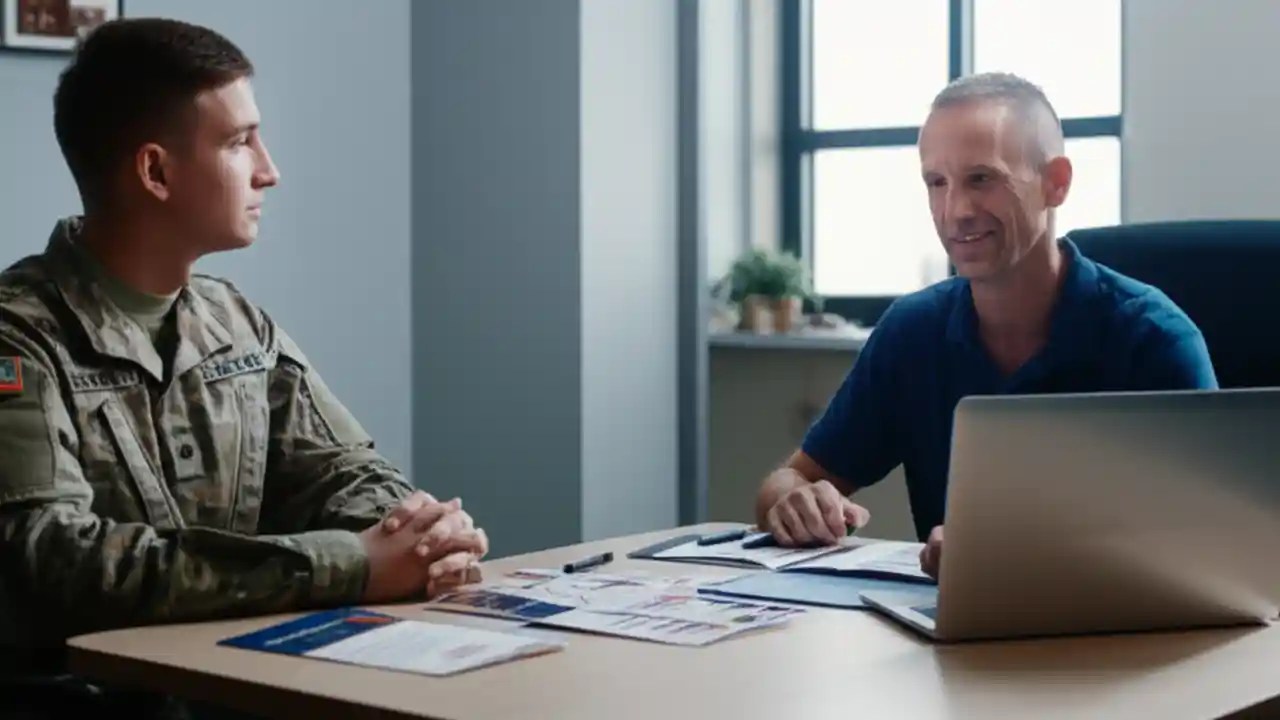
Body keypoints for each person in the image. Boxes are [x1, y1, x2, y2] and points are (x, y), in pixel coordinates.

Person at [0, 17, 486, 717]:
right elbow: (57, 562)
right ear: (155, 172)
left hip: (233, 686)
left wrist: (420, 538)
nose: (268, 169)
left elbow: (341, 470)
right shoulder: (18, 337)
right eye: (238, 142)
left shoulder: (234, 321)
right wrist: (348, 565)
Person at [754, 72, 1218, 579]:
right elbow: (790, 480)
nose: (955, 211)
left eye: (982, 179)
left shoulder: (1153, 339)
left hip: (1121, 625)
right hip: (953, 623)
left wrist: (1026, 555)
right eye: (937, 183)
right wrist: (795, 501)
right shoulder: (913, 331)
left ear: (1056, 183)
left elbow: (1213, 547)